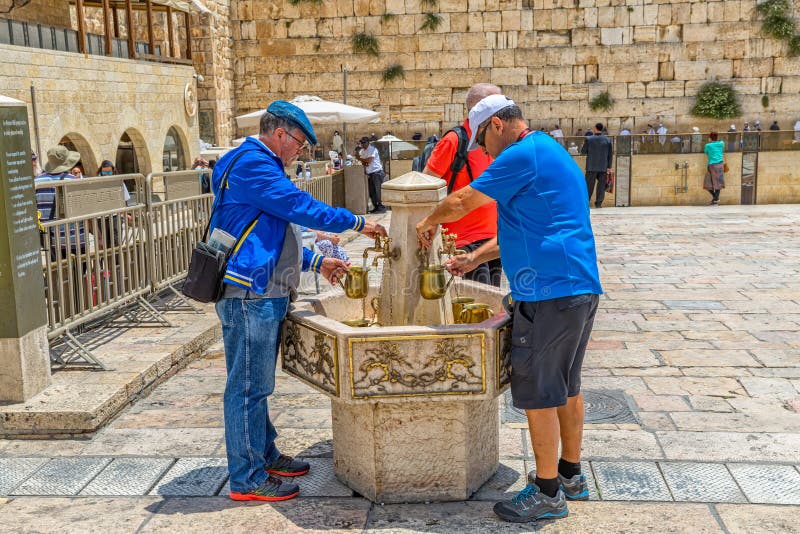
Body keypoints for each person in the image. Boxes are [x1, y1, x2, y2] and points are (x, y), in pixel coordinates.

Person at [416, 94, 602, 524]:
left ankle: (548, 491)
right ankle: (572, 475)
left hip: (548, 294)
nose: (481, 150)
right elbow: (530, 230)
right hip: (576, 287)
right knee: (566, 388)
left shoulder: (522, 153)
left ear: (497, 124)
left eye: (482, 139)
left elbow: (462, 201)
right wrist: (473, 260)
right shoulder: (548, 150)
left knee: (539, 392)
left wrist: (425, 222)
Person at [209, 100, 386, 502]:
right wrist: (357, 221)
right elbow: (299, 209)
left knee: (258, 384)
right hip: (250, 292)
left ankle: (263, 453)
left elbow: (269, 233)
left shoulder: (259, 164)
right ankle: (247, 477)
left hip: (263, 286)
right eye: (300, 145)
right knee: (248, 387)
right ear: (280, 134)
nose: (301, 153)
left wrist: (317, 261)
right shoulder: (254, 163)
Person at [422, 82, 503, 287]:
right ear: (481, 107)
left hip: (493, 239)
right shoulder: (454, 140)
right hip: (462, 241)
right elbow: (425, 186)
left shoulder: (496, 140)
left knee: (490, 302)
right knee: (473, 306)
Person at [581, 123, 613, 208]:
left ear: (595, 129)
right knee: (601, 186)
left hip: (591, 167)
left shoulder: (588, 139)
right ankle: (598, 204)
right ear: (602, 129)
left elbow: (583, 151)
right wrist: (609, 167)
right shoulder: (608, 140)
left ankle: (586, 203)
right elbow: (610, 155)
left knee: (588, 186)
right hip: (603, 167)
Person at [355, 136, 386, 213]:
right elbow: (364, 162)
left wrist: (360, 159)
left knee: (378, 191)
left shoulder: (372, 149)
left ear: (367, 143)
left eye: (363, 143)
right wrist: (362, 160)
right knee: (372, 192)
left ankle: (382, 207)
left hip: (377, 172)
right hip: (370, 174)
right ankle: (376, 207)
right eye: (361, 143)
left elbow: (368, 161)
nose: (362, 144)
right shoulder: (363, 151)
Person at [703, 131, 725, 205]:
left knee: (707, 183)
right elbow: (721, 142)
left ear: (710, 138)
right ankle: (715, 199)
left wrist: (710, 142)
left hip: (712, 165)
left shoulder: (708, 145)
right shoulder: (721, 144)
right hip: (720, 165)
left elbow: (706, 152)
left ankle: (715, 198)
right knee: (718, 183)